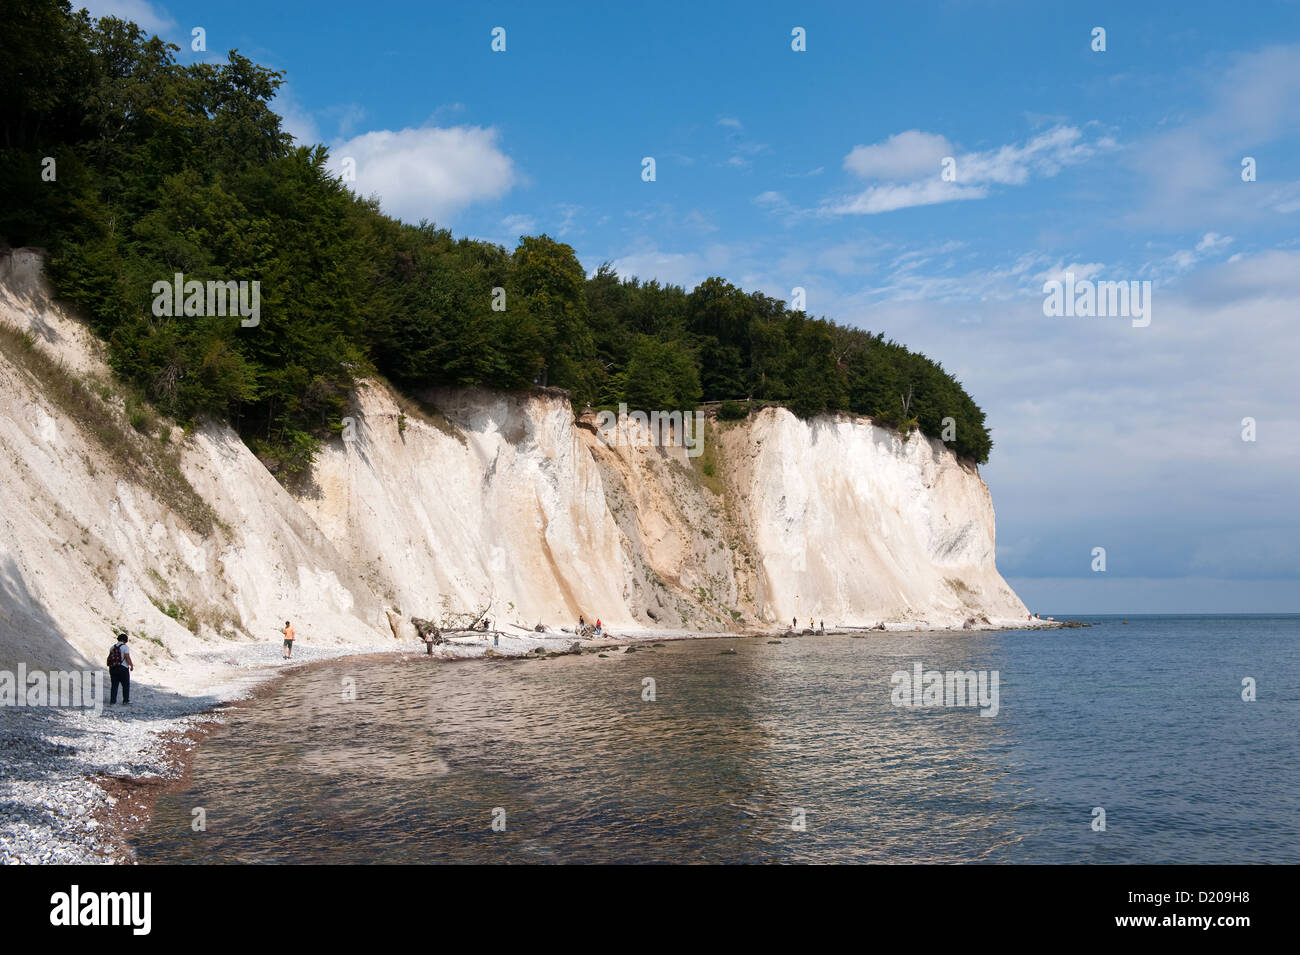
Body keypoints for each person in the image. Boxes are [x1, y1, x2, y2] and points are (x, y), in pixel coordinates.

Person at [107, 628, 133, 705]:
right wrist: (131, 665)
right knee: (125, 685)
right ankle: (125, 700)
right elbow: (127, 657)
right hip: (123, 668)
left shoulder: (112, 647)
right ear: (125, 640)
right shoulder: (125, 647)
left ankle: (112, 701)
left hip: (113, 668)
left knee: (114, 685)